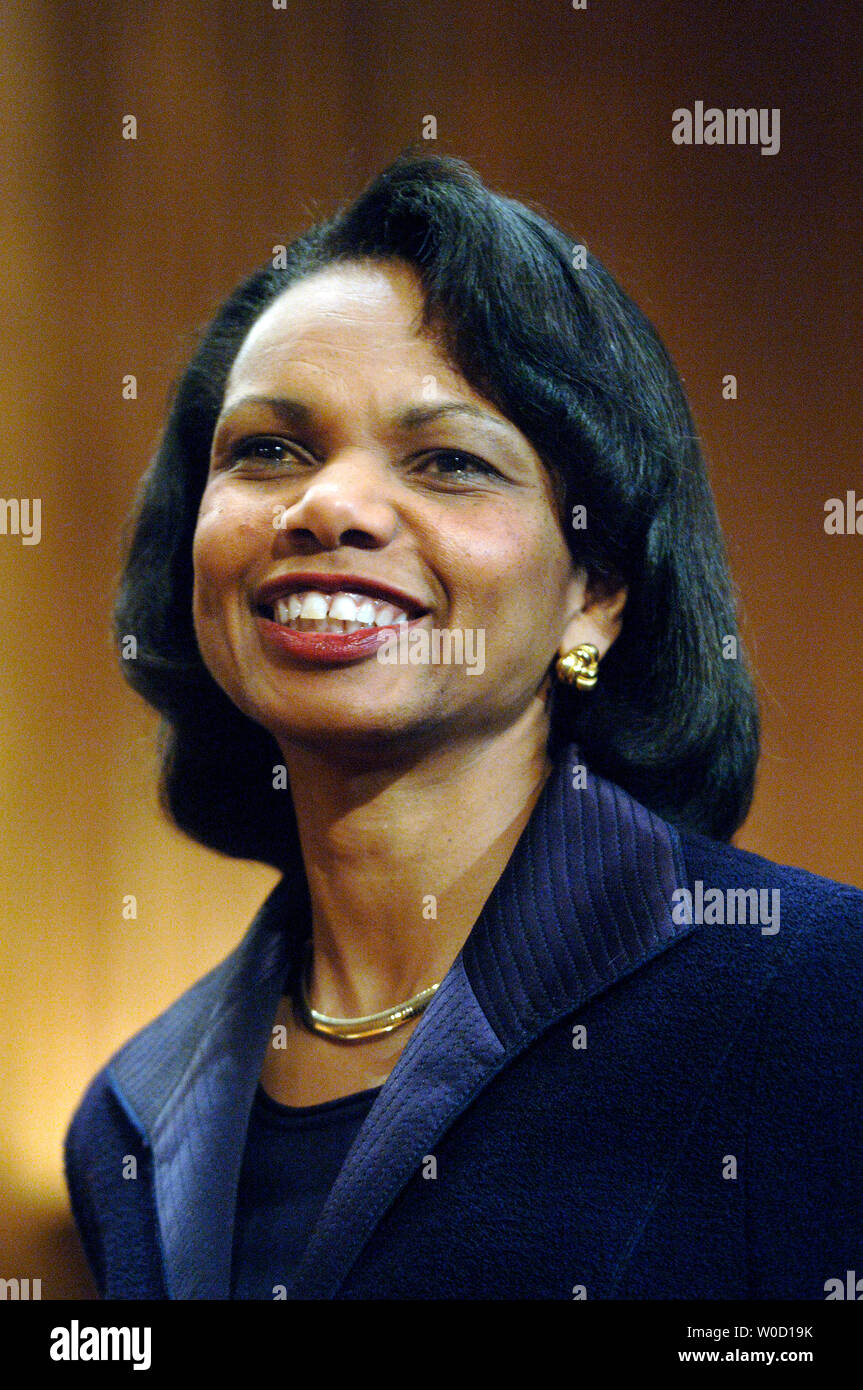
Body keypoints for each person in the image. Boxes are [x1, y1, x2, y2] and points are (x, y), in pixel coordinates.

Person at [64, 152, 863, 1300]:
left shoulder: (813, 1001)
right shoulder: (129, 1120)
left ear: (593, 586)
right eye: (266, 450)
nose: (325, 504)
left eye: (446, 461)